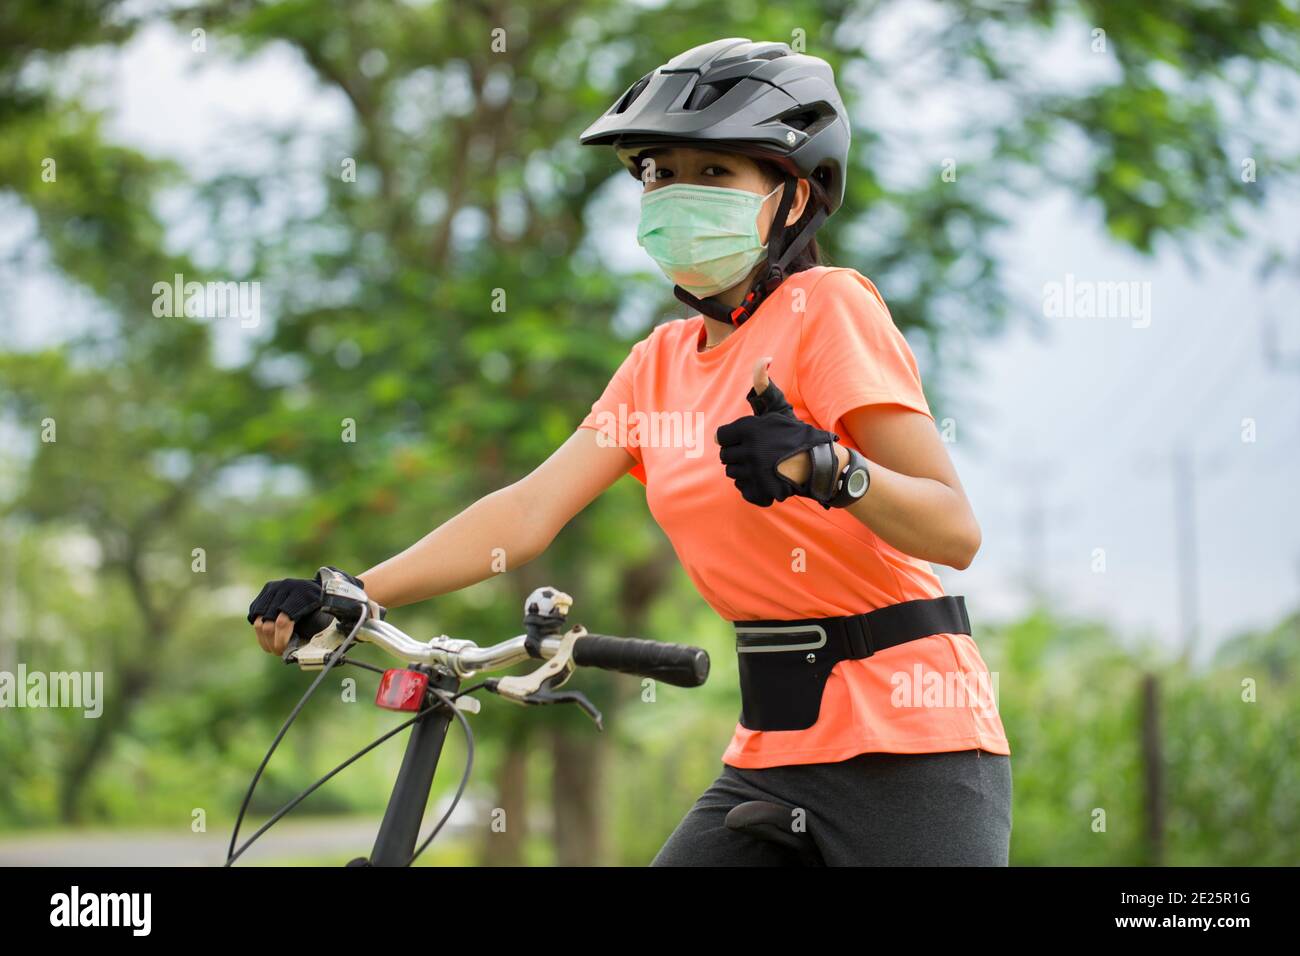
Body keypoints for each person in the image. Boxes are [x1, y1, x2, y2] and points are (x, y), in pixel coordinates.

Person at [248, 37, 1012, 866]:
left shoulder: (828, 308)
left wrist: (827, 466)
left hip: (913, 741)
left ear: (793, 196)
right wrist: (356, 591)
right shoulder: (657, 364)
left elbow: (953, 531)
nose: (677, 193)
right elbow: (528, 512)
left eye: (713, 173)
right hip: (774, 750)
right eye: (659, 172)